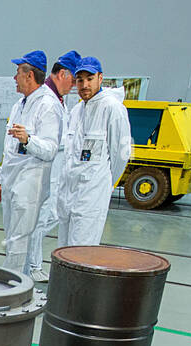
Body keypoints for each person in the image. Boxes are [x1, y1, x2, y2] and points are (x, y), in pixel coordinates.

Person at [0, 50, 63, 274]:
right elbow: (8, 147)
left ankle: (10, 291)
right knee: (12, 241)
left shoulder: (48, 106)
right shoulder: (19, 105)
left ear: (30, 75)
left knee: (18, 243)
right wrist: (0, 179)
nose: (14, 78)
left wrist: (29, 140)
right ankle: (18, 285)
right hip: (11, 182)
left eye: (18, 73)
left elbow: (51, 149)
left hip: (30, 186)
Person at [55, 56, 132, 248]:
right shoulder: (76, 110)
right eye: (80, 80)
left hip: (91, 195)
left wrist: (104, 184)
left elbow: (121, 155)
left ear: (100, 78)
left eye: (89, 79)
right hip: (68, 194)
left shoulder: (112, 109)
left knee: (82, 251)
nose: (84, 84)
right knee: (63, 250)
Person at [26, 50, 81, 281]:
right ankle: (32, 265)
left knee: (49, 216)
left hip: (55, 169)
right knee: (39, 218)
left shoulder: (58, 100)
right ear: (63, 74)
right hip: (40, 170)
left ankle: (30, 260)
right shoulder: (46, 99)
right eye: (74, 79)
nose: (76, 85)